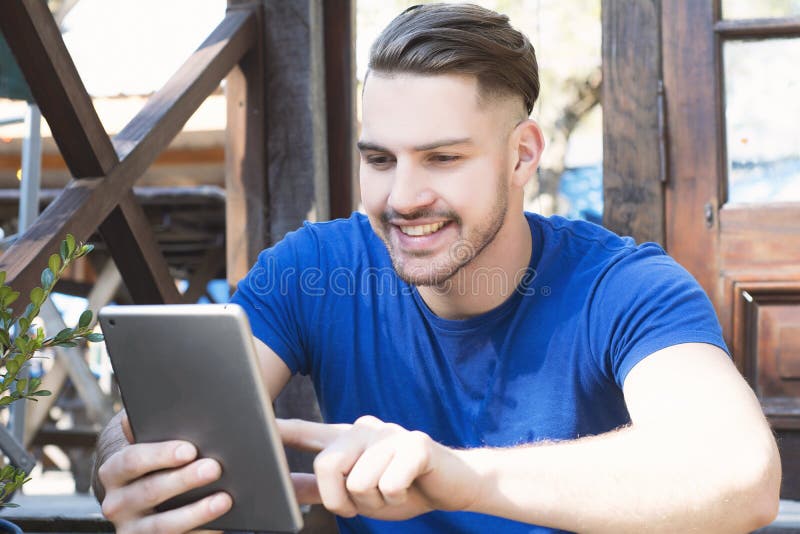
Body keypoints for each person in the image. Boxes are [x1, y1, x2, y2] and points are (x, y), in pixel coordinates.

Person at [93, 4, 781, 533]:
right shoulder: (312, 269)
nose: (402, 198)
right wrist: (122, 463)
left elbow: (739, 476)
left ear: (521, 155)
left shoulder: (626, 288)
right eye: (380, 160)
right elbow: (154, 427)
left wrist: (460, 476)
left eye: (443, 159)